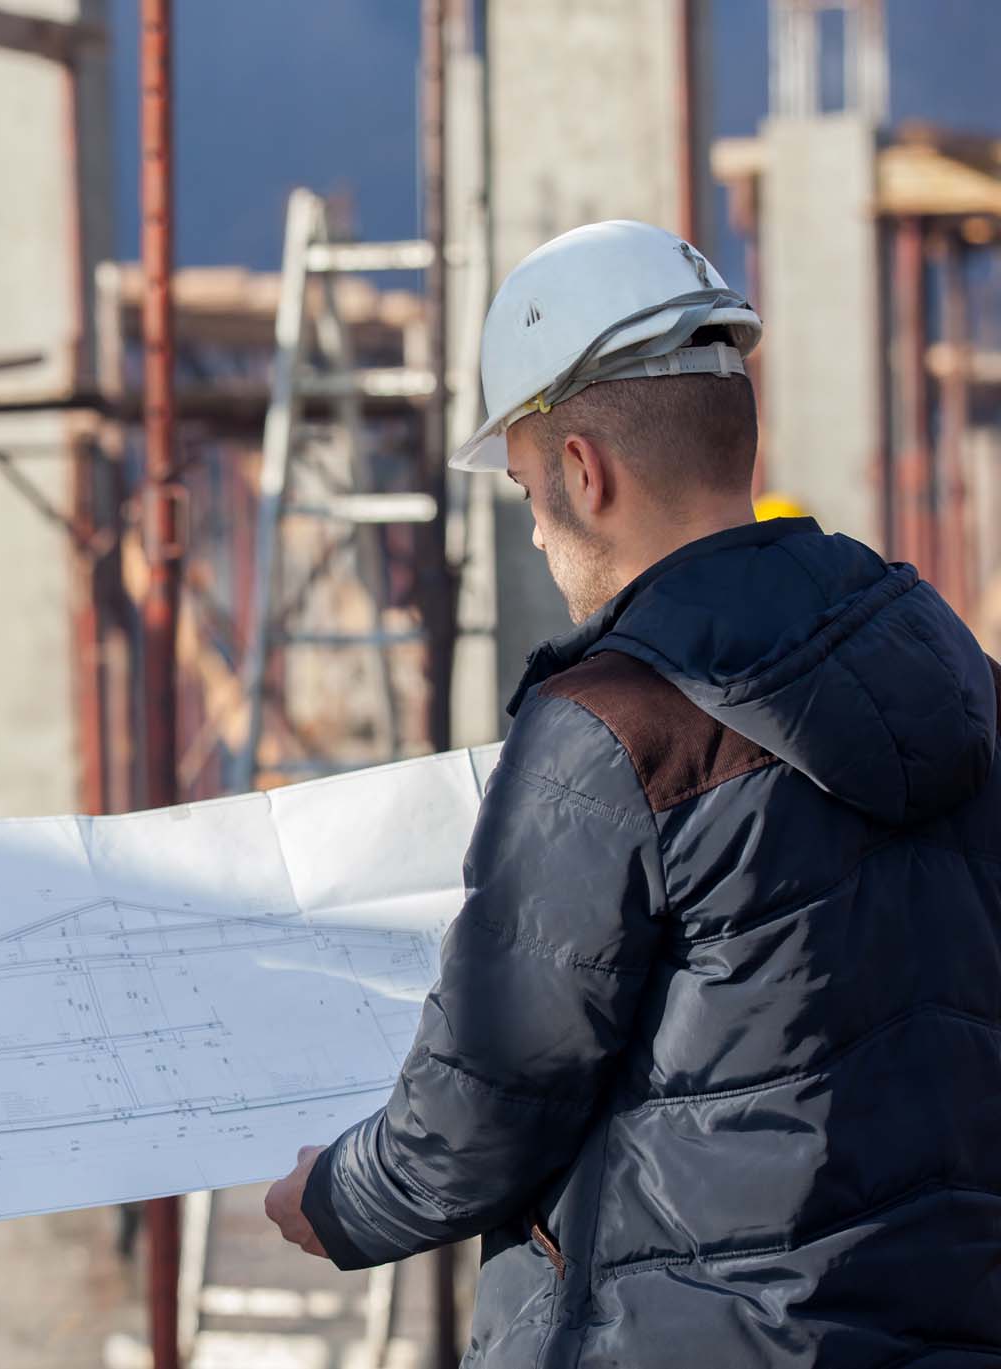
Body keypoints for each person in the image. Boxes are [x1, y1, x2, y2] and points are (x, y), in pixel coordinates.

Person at [263, 220, 1001, 1363]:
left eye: (520, 493)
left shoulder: (607, 723)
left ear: (580, 472)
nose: (537, 536)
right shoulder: (945, 659)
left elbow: (489, 1095)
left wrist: (337, 1198)